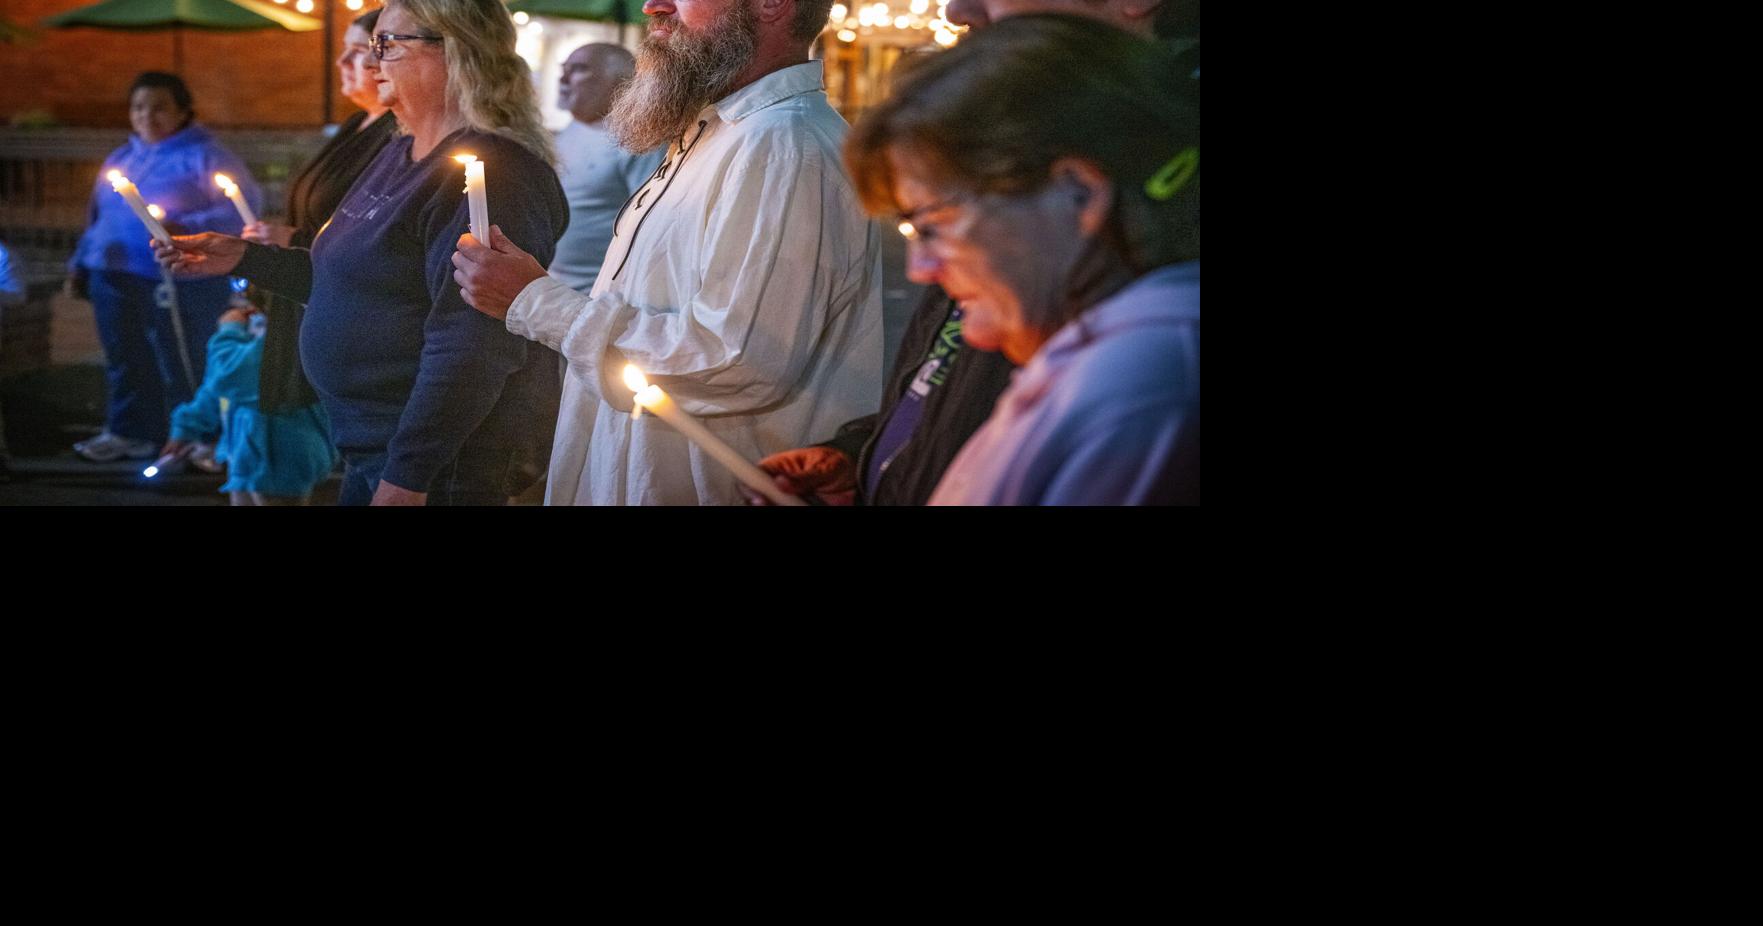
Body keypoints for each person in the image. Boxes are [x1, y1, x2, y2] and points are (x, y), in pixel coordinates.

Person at [751, 0, 1189, 506]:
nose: (920, 271)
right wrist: (872, 462)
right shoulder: (1077, 329)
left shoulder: (1135, 395)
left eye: (933, 226)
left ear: (1079, 193)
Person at [450, 0, 883, 506]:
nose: (653, 6)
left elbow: (734, 359)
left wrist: (535, 302)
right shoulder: (719, 132)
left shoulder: (781, 146)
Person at [154, 0, 569, 506]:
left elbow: (471, 342)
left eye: (387, 44)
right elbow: (355, 281)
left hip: (442, 467)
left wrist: (408, 478)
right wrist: (245, 258)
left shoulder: (490, 175)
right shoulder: (401, 150)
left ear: (456, 49)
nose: (371, 63)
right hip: (374, 446)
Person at [67, 71, 263, 463]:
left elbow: (239, 208)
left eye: (159, 107)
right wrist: (81, 263)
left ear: (183, 111)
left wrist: (184, 228)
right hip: (114, 273)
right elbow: (97, 216)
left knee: (186, 355)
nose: (147, 116)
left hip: (178, 277)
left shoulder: (206, 155)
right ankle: (131, 431)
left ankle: (198, 435)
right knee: (125, 357)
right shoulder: (123, 157)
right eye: (139, 107)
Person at [242, 7, 400, 428]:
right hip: (302, 289)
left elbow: (373, 225)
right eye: (344, 51)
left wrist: (297, 236)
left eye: (356, 51)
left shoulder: (398, 135)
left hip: (338, 301)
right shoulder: (356, 123)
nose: (342, 63)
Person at [163, 307, 339, 505]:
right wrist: (189, 426)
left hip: (280, 460)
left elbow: (233, 373)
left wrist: (229, 331)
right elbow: (220, 386)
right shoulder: (258, 322)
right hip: (247, 457)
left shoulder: (295, 319)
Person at [549, 43, 665, 295]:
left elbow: (653, 227)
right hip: (549, 288)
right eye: (563, 68)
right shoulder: (573, 128)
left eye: (578, 69)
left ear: (619, 82)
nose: (563, 78)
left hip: (596, 298)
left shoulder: (640, 141)